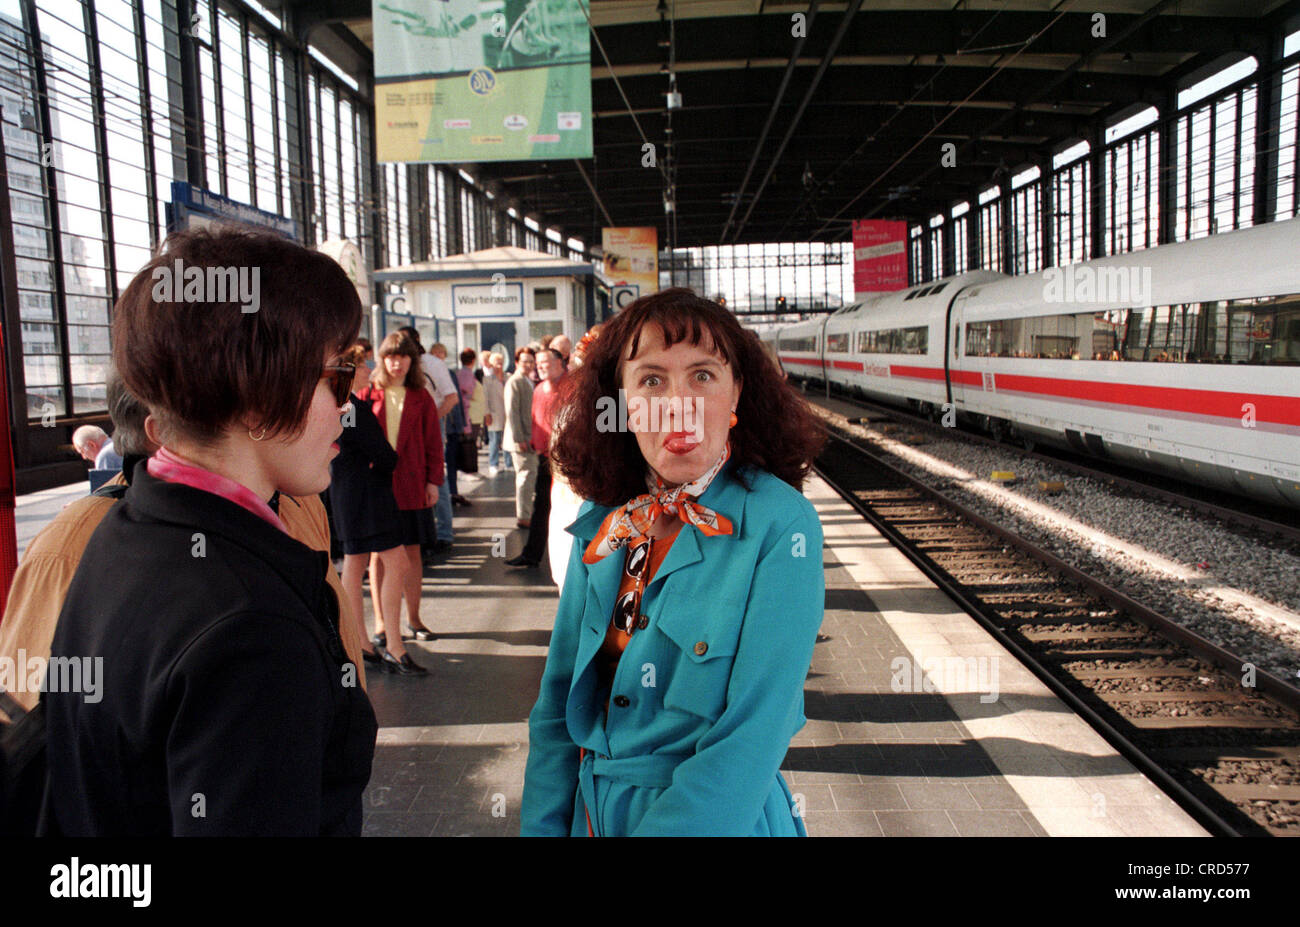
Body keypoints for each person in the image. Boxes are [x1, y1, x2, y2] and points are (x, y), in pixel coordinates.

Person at [45, 226, 376, 835]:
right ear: (257, 396)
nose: (347, 406)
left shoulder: (128, 528)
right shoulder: (251, 627)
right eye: (339, 375)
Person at [520, 288, 826, 836]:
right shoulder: (604, 519)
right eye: (652, 379)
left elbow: (754, 734)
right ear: (621, 402)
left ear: (738, 394)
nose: (677, 403)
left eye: (703, 376)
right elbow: (555, 712)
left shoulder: (781, 526)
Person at [355, 332, 444, 674]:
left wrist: (433, 481)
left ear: (411, 360)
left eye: (402, 356)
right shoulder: (367, 393)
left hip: (410, 484)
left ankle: (414, 618)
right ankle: (380, 623)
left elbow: (434, 443)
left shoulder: (421, 397)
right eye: (390, 356)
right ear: (382, 359)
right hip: (377, 485)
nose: (396, 362)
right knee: (378, 555)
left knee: (411, 554)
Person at [328, 343, 408, 676]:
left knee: (354, 564)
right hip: (369, 498)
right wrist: (385, 463)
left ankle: (359, 641)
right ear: (350, 371)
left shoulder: (339, 405)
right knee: (397, 561)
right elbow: (384, 453)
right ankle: (393, 644)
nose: (368, 370)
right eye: (362, 366)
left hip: (346, 495)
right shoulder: (354, 408)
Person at [505, 347, 565, 568]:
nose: (540, 367)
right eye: (538, 364)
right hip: (545, 458)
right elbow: (535, 420)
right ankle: (531, 554)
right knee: (541, 506)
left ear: (560, 362)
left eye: (545, 363)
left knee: (566, 509)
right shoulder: (539, 389)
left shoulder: (572, 388)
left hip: (568, 460)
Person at [400, 328, 458, 550]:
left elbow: (451, 398)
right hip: (404, 434)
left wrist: (429, 421)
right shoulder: (400, 367)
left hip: (429, 432)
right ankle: (424, 532)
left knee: (436, 477)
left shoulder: (433, 364)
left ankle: (443, 533)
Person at [503, 347, 537, 528]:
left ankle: (526, 513)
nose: (529, 365)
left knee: (529, 476)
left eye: (531, 361)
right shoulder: (515, 381)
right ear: (517, 363)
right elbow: (512, 411)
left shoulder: (527, 380)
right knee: (525, 477)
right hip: (520, 439)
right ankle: (523, 516)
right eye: (525, 361)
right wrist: (519, 438)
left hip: (527, 437)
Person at [457, 347, 486, 488]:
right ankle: (467, 470)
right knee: (469, 444)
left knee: (472, 444)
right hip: (471, 415)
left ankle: (472, 469)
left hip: (474, 415)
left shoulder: (466, 374)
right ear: (473, 360)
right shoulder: (466, 375)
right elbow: (465, 397)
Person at [483, 351, 509, 476]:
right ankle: (493, 464)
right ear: (491, 364)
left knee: (508, 439)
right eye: (497, 362)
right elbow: (485, 398)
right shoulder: (487, 380)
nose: (499, 365)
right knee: (494, 440)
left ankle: (509, 463)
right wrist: (487, 414)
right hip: (494, 413)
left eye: (501, 362)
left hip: (508, 414)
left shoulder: (508, 377)